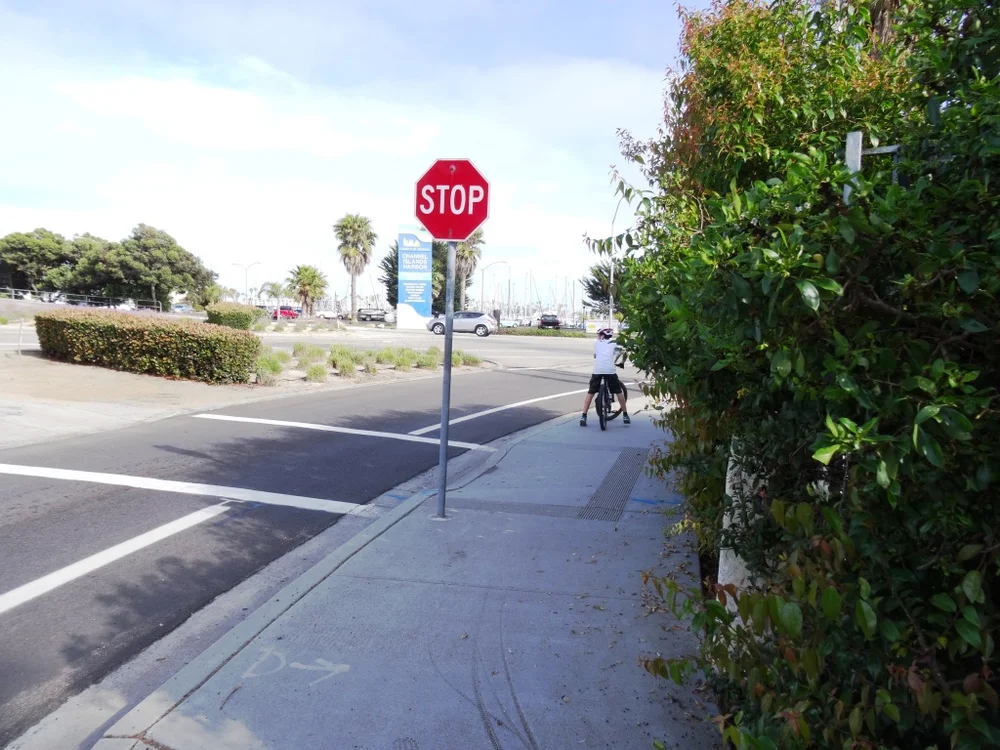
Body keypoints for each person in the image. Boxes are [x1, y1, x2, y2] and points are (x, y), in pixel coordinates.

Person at [580, 327, 629, 426]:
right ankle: (625, 415)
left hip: (597, 371)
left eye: (599, 335)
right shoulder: (615, 344)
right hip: (610, 371)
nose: (598, 337)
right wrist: (622, 363)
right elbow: (623, 353)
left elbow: (595, 355)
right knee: (619, 392)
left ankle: (584, 416)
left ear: (602, 335)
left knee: (591, 392)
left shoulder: (597, 343)